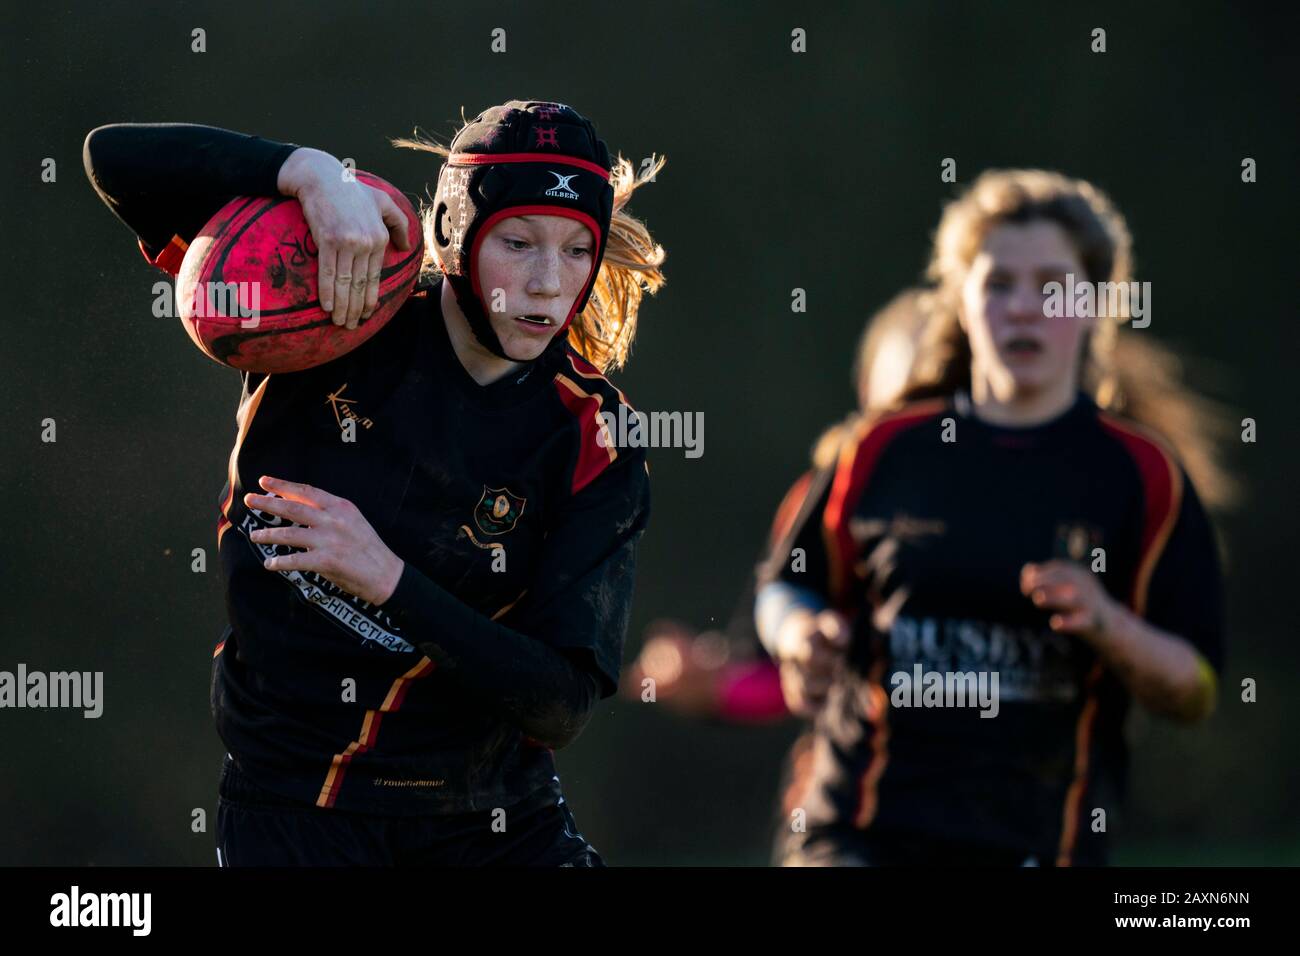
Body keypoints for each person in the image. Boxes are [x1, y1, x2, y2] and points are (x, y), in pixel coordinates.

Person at [83, 100, 666, 866]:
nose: (547, 284)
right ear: (456, 236)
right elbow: (112, 156)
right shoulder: (332, 304)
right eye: (518, 243)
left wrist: (386, 578)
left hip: (489, 823)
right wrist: (305, 171)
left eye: (575, 249)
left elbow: (559, 704)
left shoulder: (595, 435)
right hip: (296, 812)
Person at [755, 169, 1233, 866]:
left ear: (1097, 302)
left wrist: (1109, 624)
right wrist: (799, 633)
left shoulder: (1142, 475)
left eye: (1051, 285)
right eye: (998, 284)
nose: (1023, 308)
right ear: (962, 301)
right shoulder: (884, 449)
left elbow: (1196, 687)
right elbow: (782, 585)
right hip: (861, 836)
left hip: (1037, 844)